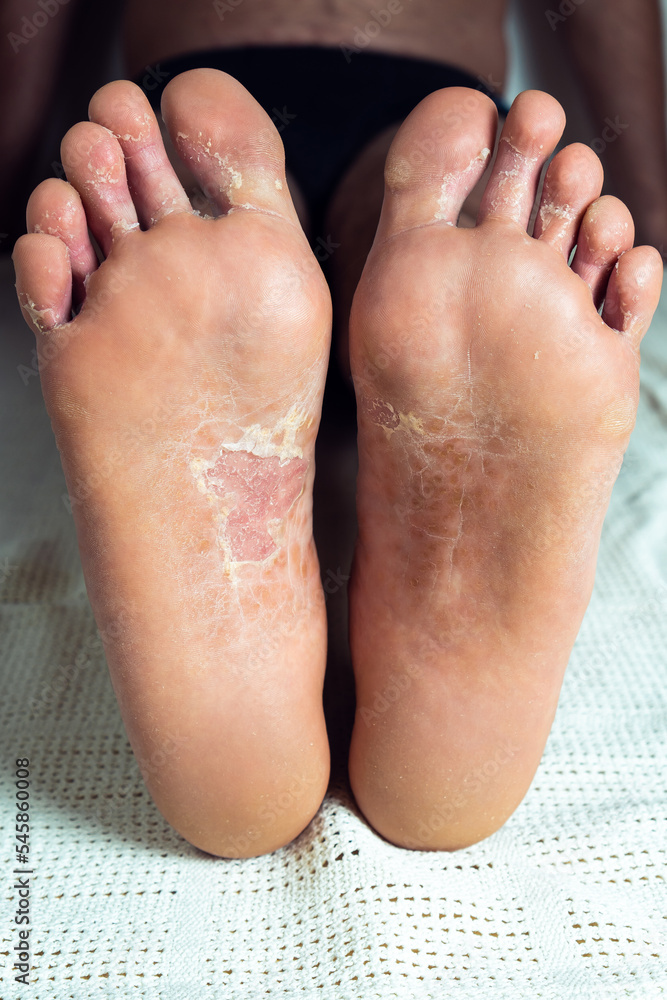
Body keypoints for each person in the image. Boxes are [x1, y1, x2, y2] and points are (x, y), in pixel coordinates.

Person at [9, 1, 665, 857]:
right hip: (419, 110)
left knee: (255, 258)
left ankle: (278, 435)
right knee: (424, 247)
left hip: (183, 138)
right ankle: (434, 412)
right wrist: (651, 204)